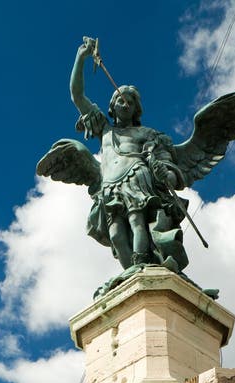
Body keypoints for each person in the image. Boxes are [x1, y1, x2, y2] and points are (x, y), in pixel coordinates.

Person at [69, 37, 188, 272]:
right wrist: (80, 59)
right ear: (112, 107)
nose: (124, 105)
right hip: (110, 186)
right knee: (116, 234)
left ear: (136, 109)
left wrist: (165, 173)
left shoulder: (147, 133)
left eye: (130, 102)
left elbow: (169, 169)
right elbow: (77, 95)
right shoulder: (104, 128)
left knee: (136, 222)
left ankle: (140, 263)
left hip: (137, 177)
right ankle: (130, 274)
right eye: (120, 101)